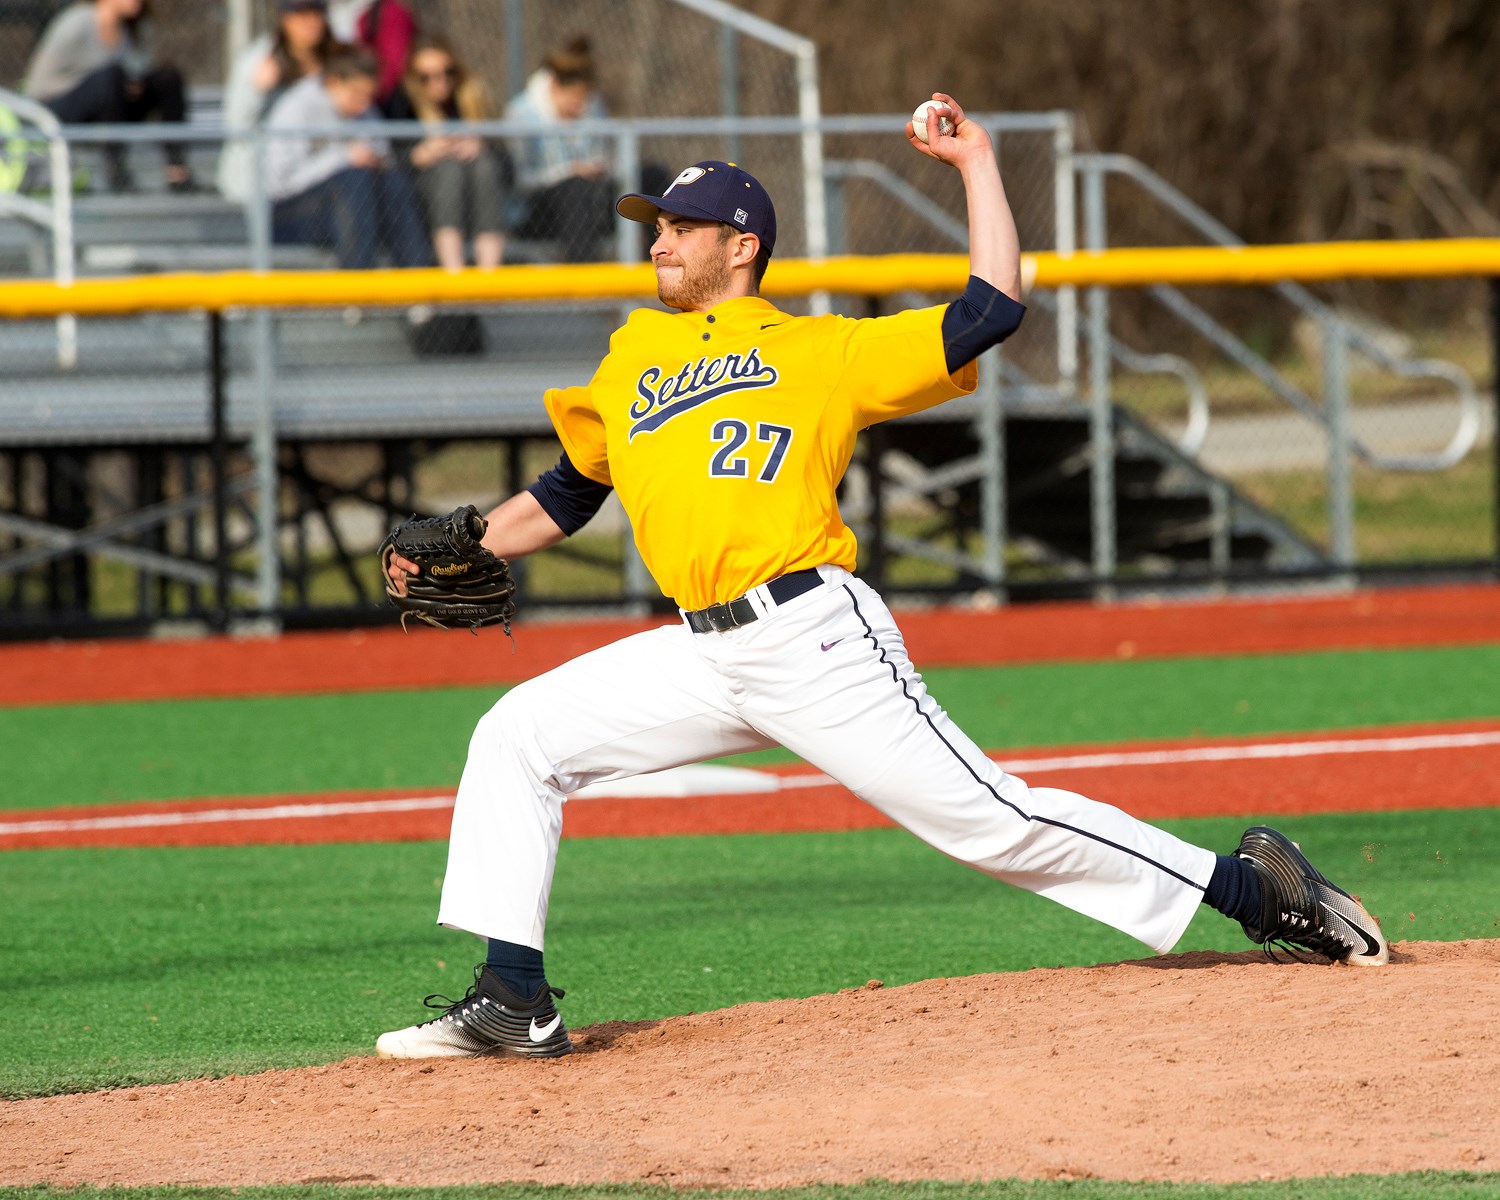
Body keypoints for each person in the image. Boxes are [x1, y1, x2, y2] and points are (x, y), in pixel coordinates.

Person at [375, 93, 1388, 1061]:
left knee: (995, 824)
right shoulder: (631, 356)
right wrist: (465, 540)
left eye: (683, 227)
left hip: (809, 636)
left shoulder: (821, 351)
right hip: (701, 650)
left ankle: (1261, 892)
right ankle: (514, 1000)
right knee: (517, 736)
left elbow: (989, 311)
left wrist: (976, 161)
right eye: (657, 226)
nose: (660, 242)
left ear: (742, 246)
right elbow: (566, 494)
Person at [264, 42, 432, 271]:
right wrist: (342, 158)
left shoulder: (365, 110)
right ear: (333, 82)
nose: (363, 104)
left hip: (354, 208)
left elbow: (382, 156)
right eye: (356, 94)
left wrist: (374, 162)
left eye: (368, 96)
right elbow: (280, 183)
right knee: (353, 180)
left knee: (392, 181)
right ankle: (357, 283)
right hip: (289, 215)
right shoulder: (296, 107)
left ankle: (417, 279)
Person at [504, 35, 665, 262]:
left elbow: (607, 157)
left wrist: (601, 168)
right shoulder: (522, 114)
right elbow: (521, 180)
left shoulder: (592, 107)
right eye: (574, 98)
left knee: (652, 175)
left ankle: (658, 259)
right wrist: (568, 171)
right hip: (541, 209)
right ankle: (585, 272)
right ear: (554, 86)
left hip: (593, 197)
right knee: (575, 188)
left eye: (584, 99)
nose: (580, 106)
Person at [23, 0, 193, 192]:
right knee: (111, 76)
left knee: (168, 77)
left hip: (112, 105)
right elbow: (38, 87)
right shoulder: (77, 22)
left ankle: (177, 170)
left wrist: (131, 86)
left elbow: (136, 73)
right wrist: (97, 85)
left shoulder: (134, 28)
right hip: (58, 109)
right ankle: (116, 172)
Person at [385, 35, 508, 271]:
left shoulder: (473, 99)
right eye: (426, 77)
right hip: (420, 198)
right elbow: (385, 160)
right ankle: (454, 274)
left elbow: (509, 163)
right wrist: (417, 154)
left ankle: (489, 276)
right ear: (413, 78)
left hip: (475, 192)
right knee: (448, 168)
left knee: (485, 166)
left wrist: (482, 145)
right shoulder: (400, 104)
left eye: (447, 72)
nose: (438, 82)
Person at [217, 0, 337, 204]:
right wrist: (256, 90)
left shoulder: (337, 58)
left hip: (320, 175)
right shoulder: (259, 59)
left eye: (317, 14)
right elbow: (235, 125)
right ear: (285, 19)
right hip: (267, 184)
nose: (311, 23)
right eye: (301, 15)